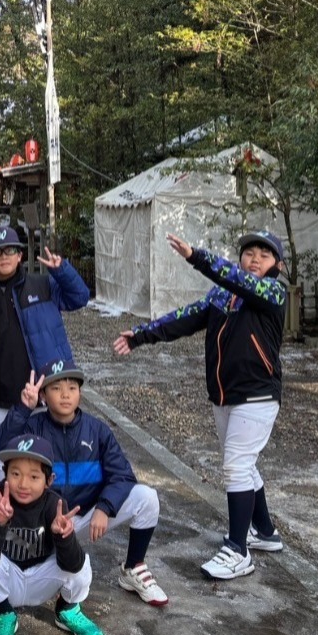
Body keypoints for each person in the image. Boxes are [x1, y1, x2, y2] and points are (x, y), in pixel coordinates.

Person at [113, 229, 288, 581]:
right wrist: (142, 335)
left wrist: (198, 257)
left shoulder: (273, 292)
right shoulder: (222, 296)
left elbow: (240, 281)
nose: (254, 259)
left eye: (264, 255)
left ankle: (238, 550)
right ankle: (265, 532)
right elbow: (186, 317)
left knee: (236, 467)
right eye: (249, 252)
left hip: (257, 395)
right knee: (243, 464)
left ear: (278, 266)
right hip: (224, 397)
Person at [0, 358, 167, 607]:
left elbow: (123, 475)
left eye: (72, 388)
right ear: (43, 395)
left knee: (146, 497)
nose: (65, 395)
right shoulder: (33, 426)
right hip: (44, 524)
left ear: (80, 394)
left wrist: (105, 507)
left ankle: (133, 567)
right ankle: (47, 573)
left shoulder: (97, 430)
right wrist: (23, 409)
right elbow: (0, 447)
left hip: (85, 518)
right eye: (56, 388)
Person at [0, 226, 91, 478]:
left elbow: (80, 297)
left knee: (57, 447)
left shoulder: (42, 285)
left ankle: (55, 505)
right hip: (6, 386)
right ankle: (7, 502)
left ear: (20, 256)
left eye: (10, 250)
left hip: (49, 380)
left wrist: (62, 271)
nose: (4, 256)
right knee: (2, 448)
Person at [0, 434, 103, 635]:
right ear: (5, 473)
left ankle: (66, 610)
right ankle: (4, 614)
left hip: (42, 578)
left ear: (48, 480)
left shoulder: (55, 504)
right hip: (8, 579)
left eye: (34, 477)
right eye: (15, 474)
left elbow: (72, 565)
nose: (23, 484)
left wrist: (64, 536)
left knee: (82, 563)